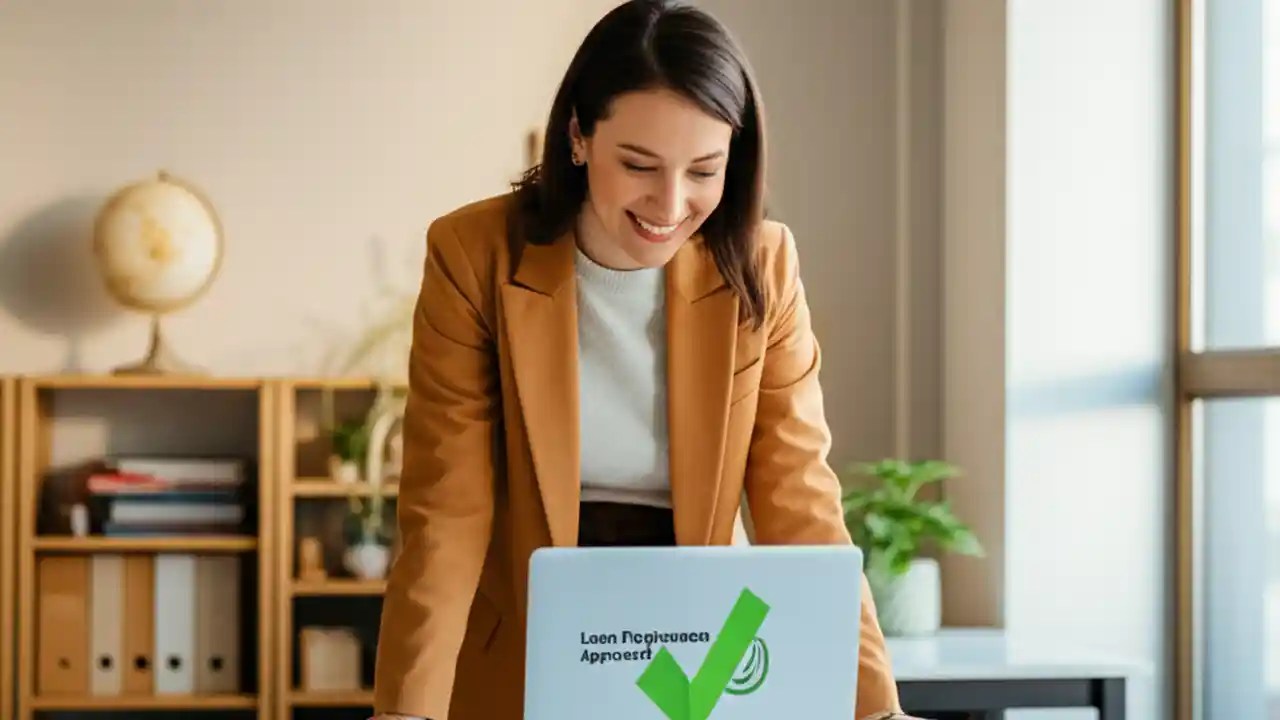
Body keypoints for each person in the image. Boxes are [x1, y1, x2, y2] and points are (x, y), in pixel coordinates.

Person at [370, 1, 911, 718]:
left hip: (691, 649)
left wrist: (877, 708)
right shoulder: (475, 256)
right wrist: (408, 712)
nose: (671, 202)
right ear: (578, 136)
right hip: (524, 644)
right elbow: (447, 515)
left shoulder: (763, 264)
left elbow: (800, 501)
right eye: (639, 164)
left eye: (704, 170)